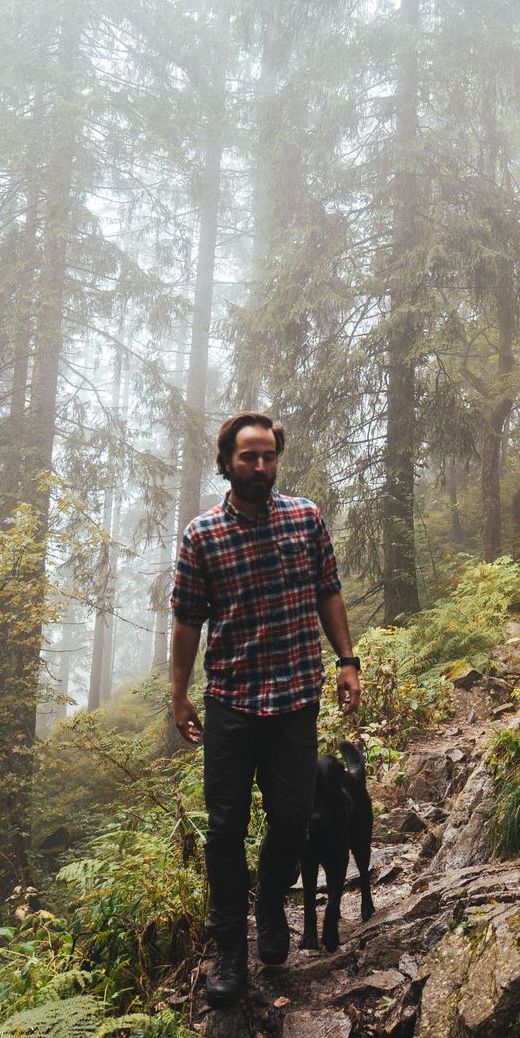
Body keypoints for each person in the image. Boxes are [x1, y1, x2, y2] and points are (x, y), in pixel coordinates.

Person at [170, 412, 361, 1007]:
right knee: (225, 829)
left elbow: (328, 590)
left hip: (296, 699)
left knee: (293, 819)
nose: (259, 466)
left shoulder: (305, 518)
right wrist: (178, 692)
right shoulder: (202, 535)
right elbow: (187, 620)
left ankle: (271, 902)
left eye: (268, 456)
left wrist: (347, 660)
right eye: (248, 457)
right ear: (226, 462)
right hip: (231, 702)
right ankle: (231, 946)